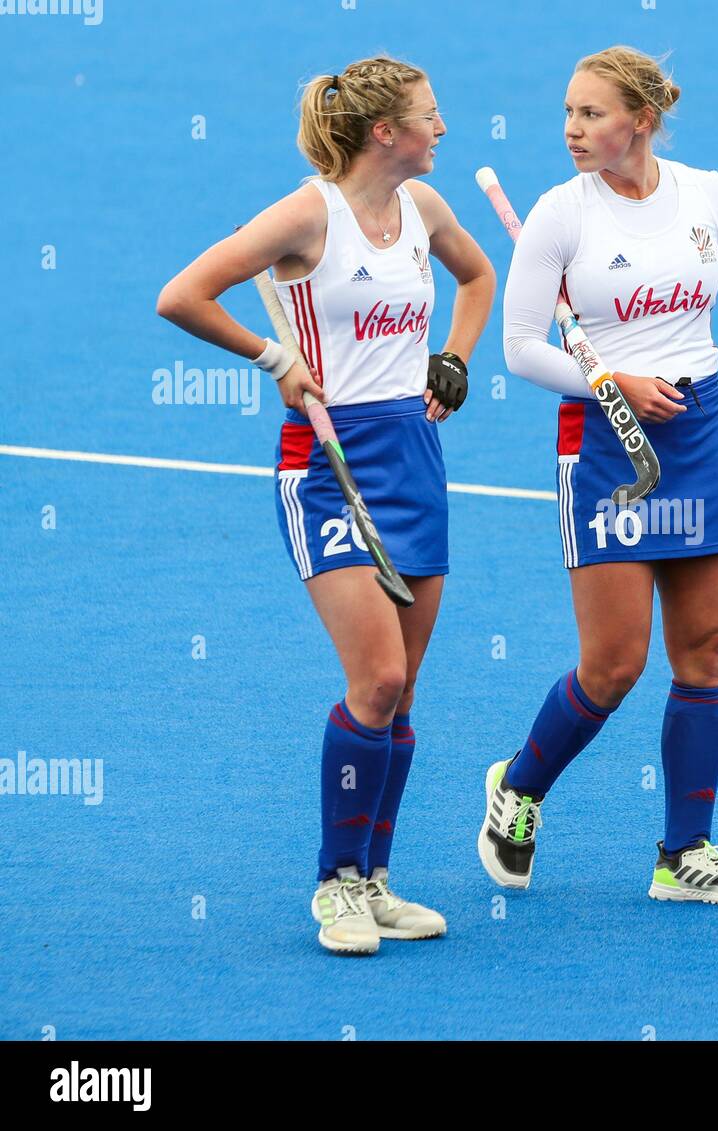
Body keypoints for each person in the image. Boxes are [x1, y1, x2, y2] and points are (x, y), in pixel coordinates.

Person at [157, 56, 494, 955]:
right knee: (376, 679)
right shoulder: (311, 214)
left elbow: (477, 278)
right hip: (327, 466)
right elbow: (182, 295)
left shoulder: (424, 210)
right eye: (431, 116)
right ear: (386, 133)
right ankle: (335, 885)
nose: (444, 129)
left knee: (404, 691)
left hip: (414, 460)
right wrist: (273, 358)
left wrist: (453, 358)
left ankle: (375, 878)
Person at [479, 45, 718, 904]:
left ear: (639, 119)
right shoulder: (563, 216)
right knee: (613, 663)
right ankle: (518, 789)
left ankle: (686, 852)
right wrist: (611, 381)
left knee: (706, 651)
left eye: (591, 113)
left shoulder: (706, 194)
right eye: (567, 112)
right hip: (606, 443)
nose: (571, 128)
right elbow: (521, 348)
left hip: (701, 433)